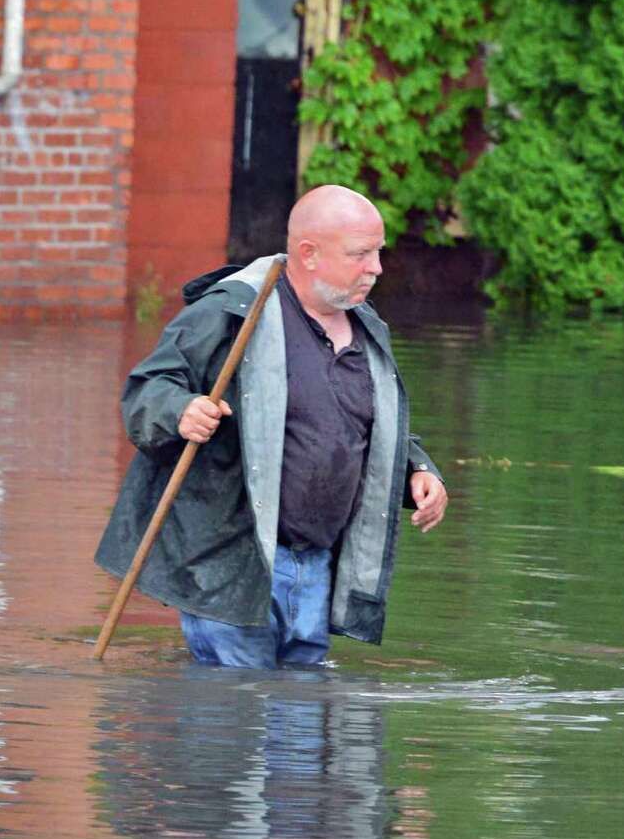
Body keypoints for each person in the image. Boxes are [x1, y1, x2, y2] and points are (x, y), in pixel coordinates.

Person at [95, 185, 448, 667]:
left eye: (377, 253)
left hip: (315, 563)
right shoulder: (232, 311)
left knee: (299, 714)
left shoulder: (366, 328)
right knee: (236, 709)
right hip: (228, 560)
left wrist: (417, 471)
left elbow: (369, 424)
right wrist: (182, 409)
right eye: (360, 254)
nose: (377, 268)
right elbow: (147, 388)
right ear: (310, 254)